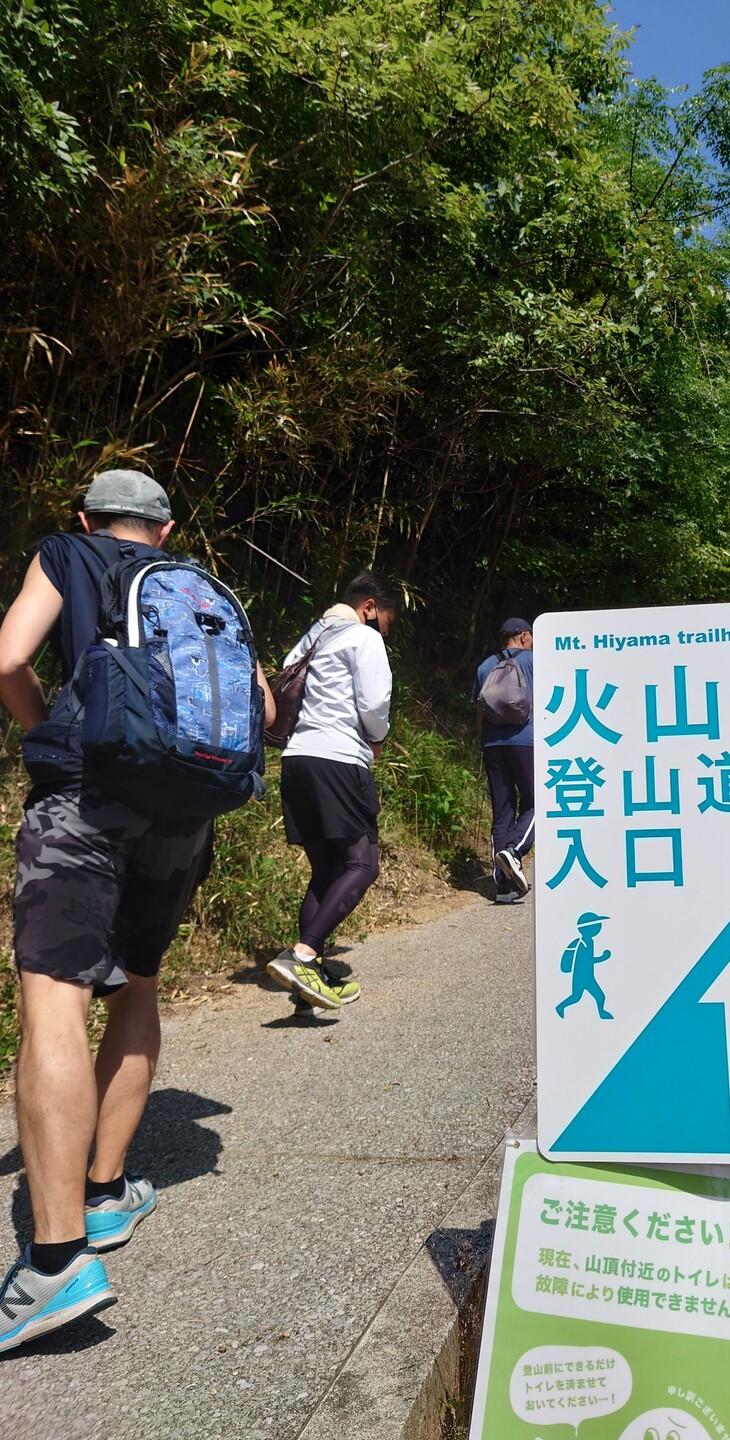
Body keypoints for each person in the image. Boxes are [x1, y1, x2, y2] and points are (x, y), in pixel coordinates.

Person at [0, 469, 276, 1354]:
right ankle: (107, 1192)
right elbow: (265, 707)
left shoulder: (66, 554)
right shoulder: (199, 585)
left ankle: (55, 1262)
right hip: (184, 812)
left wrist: (47, 730)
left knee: (53, 999)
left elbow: (8, 658)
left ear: (87, 517)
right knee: (139, 987)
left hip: (86, 797)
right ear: (163, 529)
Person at [266, 572, 398, 1012]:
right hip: (338, 758)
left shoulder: (312, 636)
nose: (385, 629)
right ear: (370, 607)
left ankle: (306, 989)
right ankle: (303, 955)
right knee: (362, 863)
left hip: (297, 760)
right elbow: (374, 705)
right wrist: (377, 737)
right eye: (387, 619)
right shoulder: (364, 637)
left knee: (325, 870)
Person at [472, 618, 534, 903]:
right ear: (523, 636)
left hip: (492, 744)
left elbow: (480, 710)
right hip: (526, 742)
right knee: (538, 803)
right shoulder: (535, 662)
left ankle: (503, 886)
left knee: (502, 810)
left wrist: (483, 741)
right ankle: (514, 851)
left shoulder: (485, 666)